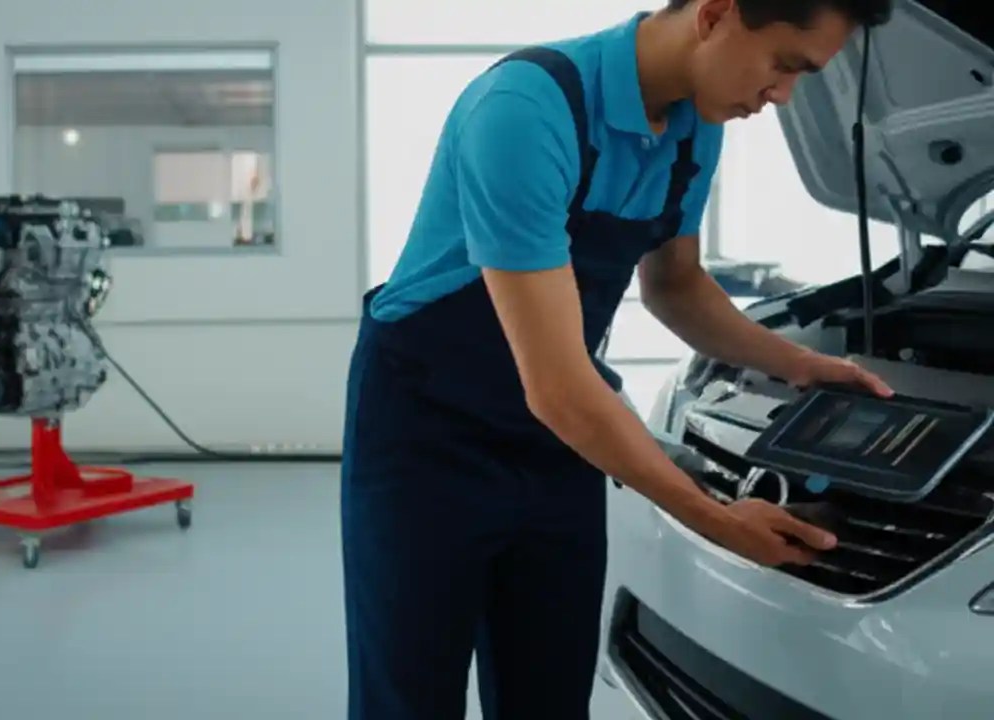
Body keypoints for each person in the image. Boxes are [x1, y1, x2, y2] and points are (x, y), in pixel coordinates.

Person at [340, 1, 895, 718]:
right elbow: (559, 385)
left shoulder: (697, 128)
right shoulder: (525, 110)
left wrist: (799, 364)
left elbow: (675, 288)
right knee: (408, 694)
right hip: (427, 430)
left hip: (558, 437)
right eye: (785, 64)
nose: (783, 95)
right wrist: (715, 519)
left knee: (549, 688)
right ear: (716, 13)